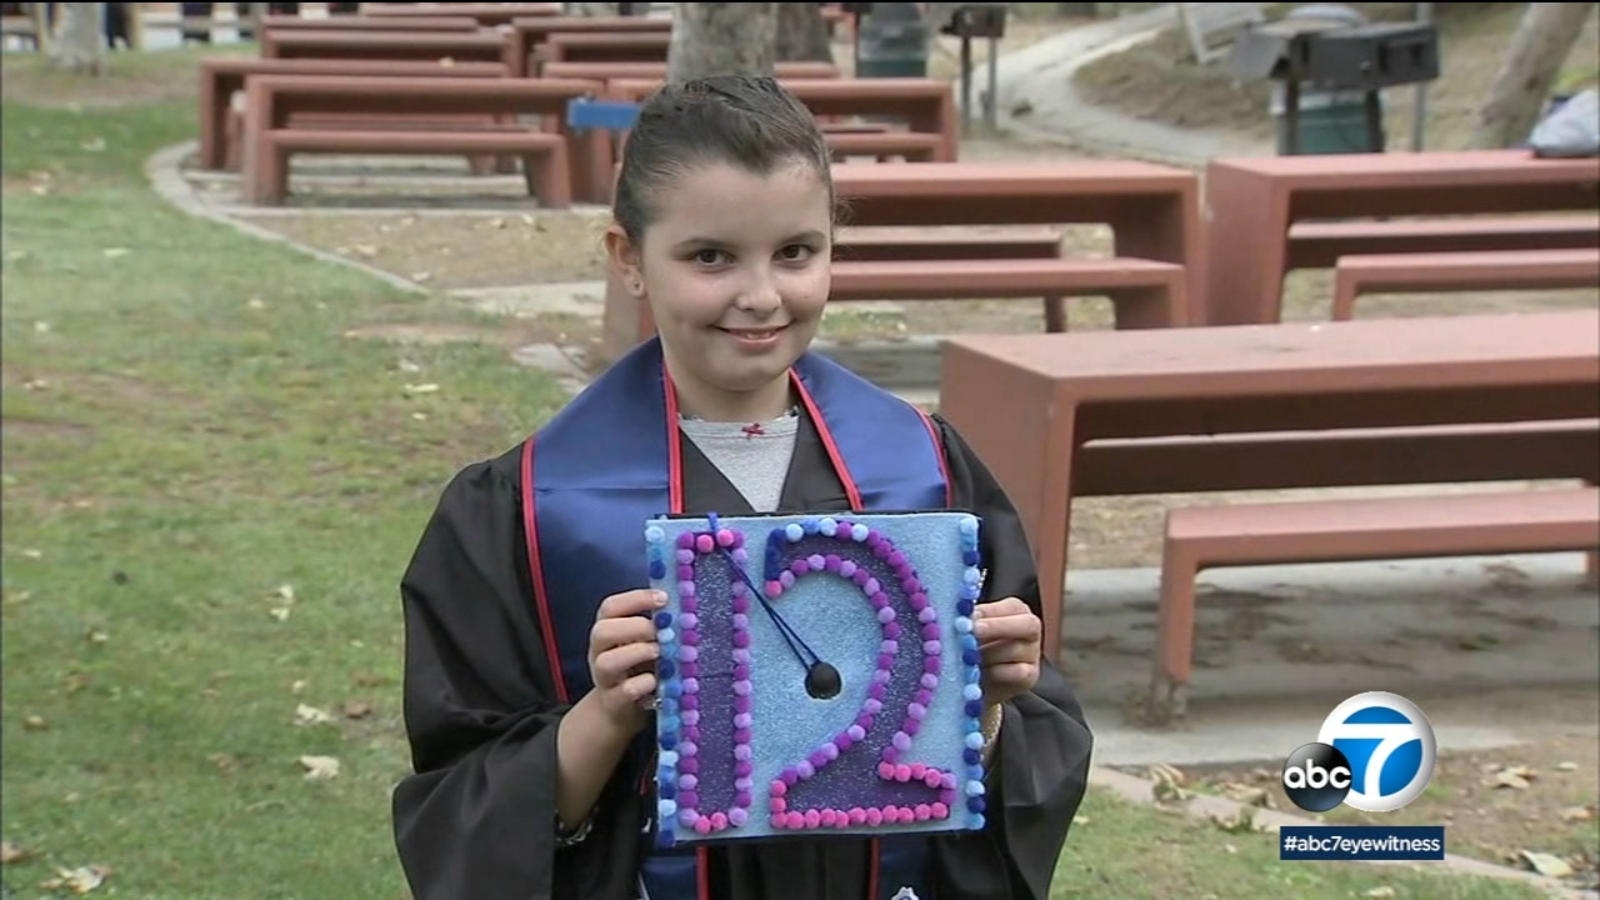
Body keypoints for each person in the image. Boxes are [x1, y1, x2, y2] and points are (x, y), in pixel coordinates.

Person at [392, 75, 1093, 900]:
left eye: (795, 252)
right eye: (710, 257)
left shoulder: (924, 470)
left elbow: (1021, 758)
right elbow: (461, 816)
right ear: (629, 259)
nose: (760, 296)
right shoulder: (528, 508)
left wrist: (988, 700)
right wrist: (606, 714)